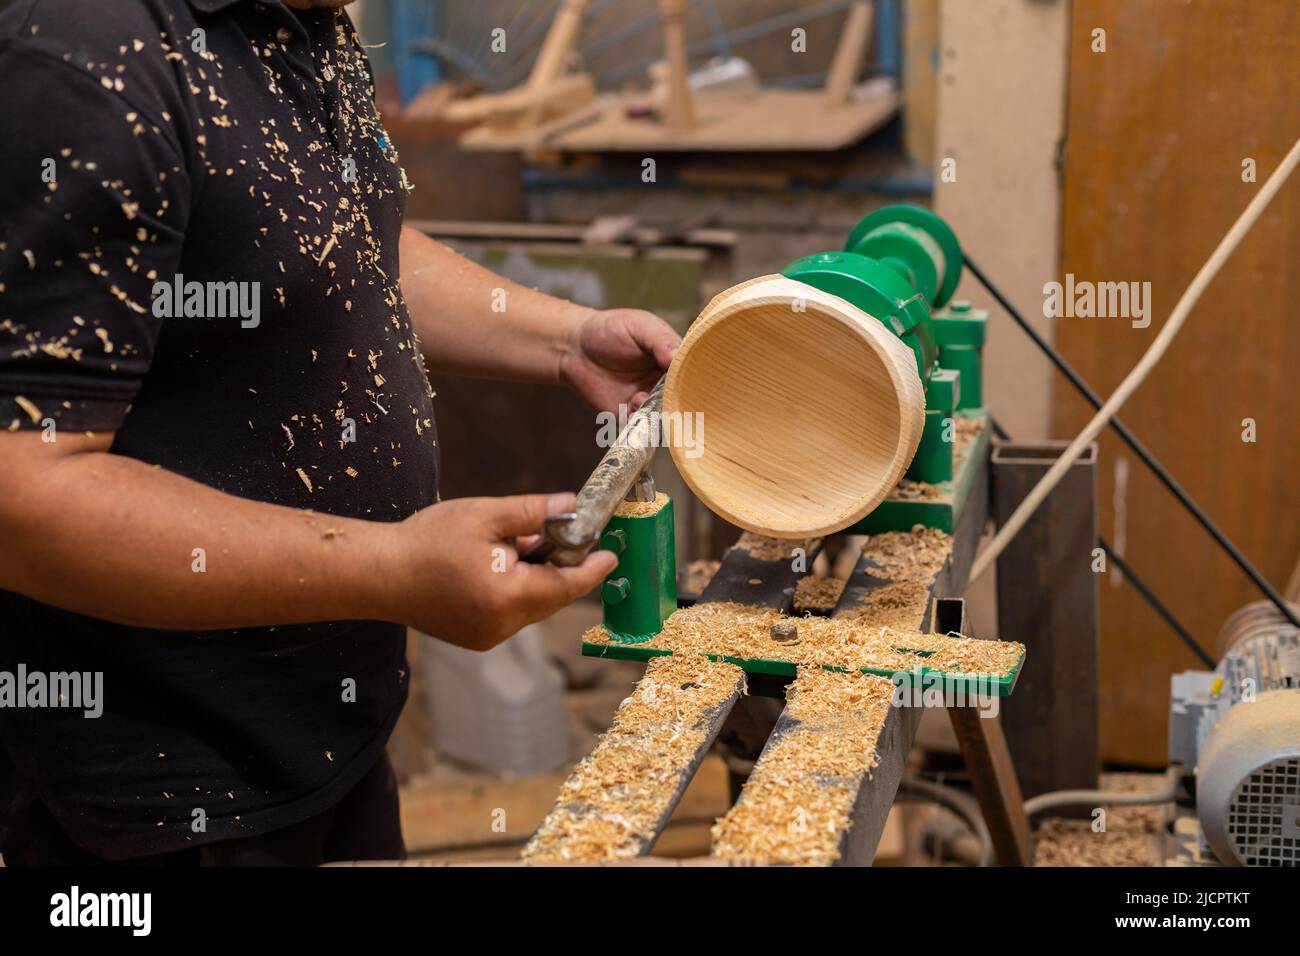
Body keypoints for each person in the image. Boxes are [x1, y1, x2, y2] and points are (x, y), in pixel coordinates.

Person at [0, 0, 679, 865]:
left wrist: (565, 339)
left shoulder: (301, 13)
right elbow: (21, 497)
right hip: (158, 804)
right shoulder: (77, 56)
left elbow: (342, 241)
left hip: (327, 739)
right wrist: (390, 569)